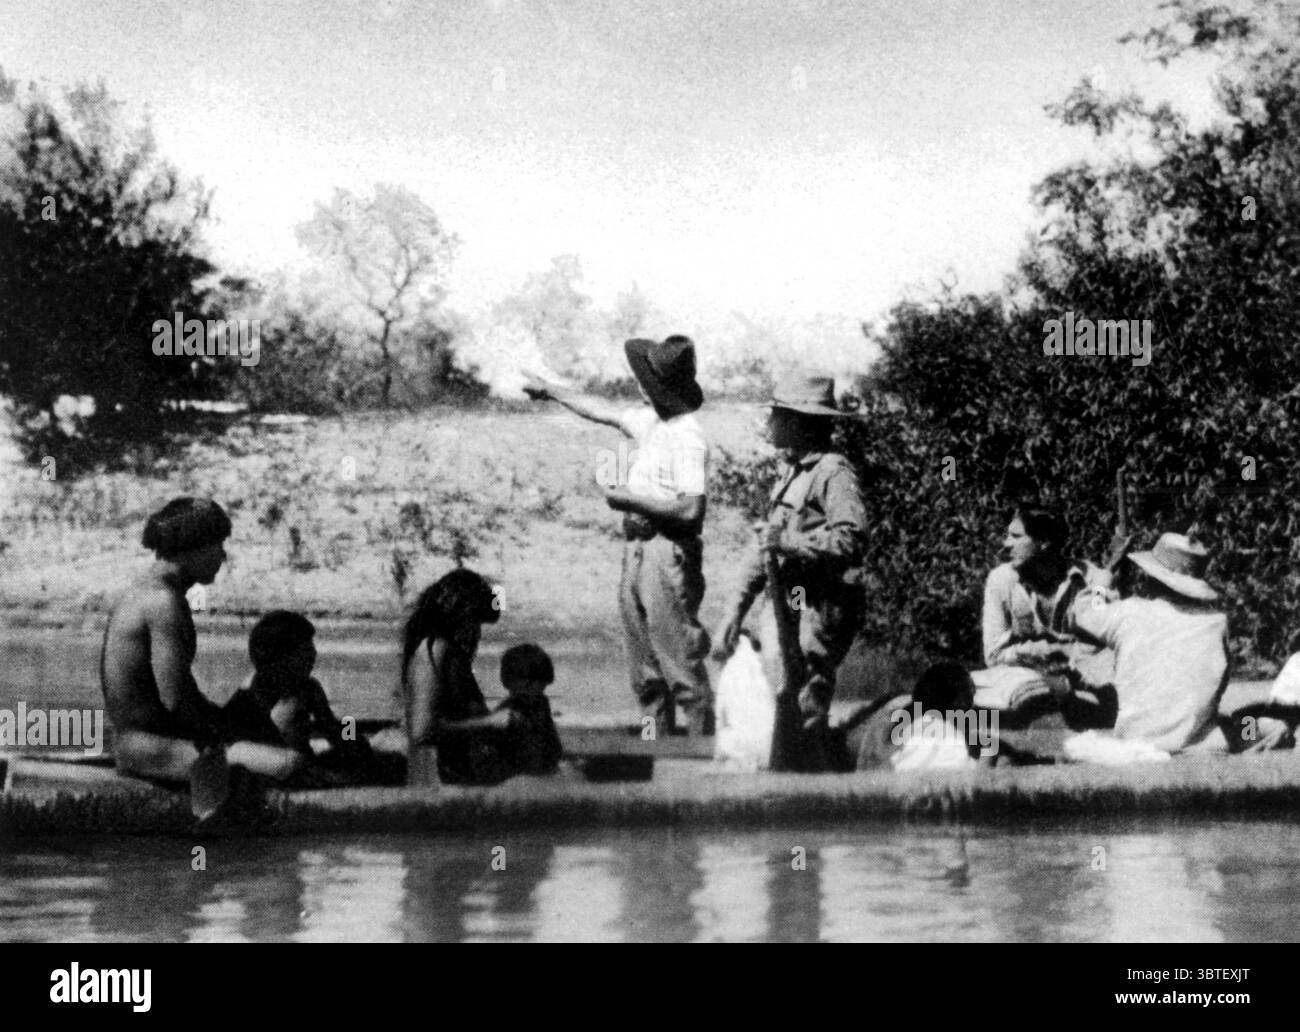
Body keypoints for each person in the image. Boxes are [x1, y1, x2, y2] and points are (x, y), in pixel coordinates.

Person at [523, 336, 712, 736]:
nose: (639, 386)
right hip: (638, 551)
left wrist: (630, 499)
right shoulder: (652, 422)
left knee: (679, 659)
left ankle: (699, 759)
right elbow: (603, 410)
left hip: (666, 551)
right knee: (645, 669)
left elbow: (692, 510)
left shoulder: (687, 435)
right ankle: (654, 747)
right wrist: (551, 390)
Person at [714, 373, 867, 770]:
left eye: (779, 416)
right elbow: (763, 545)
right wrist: (735, 609)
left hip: (819, 602)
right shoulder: (792, 471)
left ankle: (806, 788)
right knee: (781, 693)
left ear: (800, 422)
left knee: (803, 698)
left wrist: (789, 543)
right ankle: (790, 777)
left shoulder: (834, 472)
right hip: (786, 601)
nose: (771, 424)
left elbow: (851, 542)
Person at [100, 498, 305, 787]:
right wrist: (231, 735)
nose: (223, 556)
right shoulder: (162, 603)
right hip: (152, 751)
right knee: (288, 763)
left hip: (149, 742)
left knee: (259, 696)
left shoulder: (156, 592)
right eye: (217, 545)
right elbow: (176, 701)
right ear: (192, 548)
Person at [1064, 532, 1228, 754]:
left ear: (1151, 577)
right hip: (1195, 740)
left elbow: (1087, 612)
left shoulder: (1129, 613)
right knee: (1250, 720)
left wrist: (1106, 575)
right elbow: (1220, 684)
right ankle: (1260, 741)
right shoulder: (1217, 623)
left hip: (1135, 741)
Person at [224, 610, 387, 783]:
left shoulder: (308, 688)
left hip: (301, 764)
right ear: (280, 659)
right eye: (306, 649)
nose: (314, 654)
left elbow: (331, 726)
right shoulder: (250, 694)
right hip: (270, 769)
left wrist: (353, 735)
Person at [401, 568, 511, 785]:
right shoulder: (434, 650)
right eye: (473, 622)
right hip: (439, 779)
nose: (476, 633)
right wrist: (490, 722)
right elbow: (421, 731)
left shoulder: (449, 654)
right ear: (457, 614)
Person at [981, 505, 1085, 670]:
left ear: (1043, 541)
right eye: (1007, 535)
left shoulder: (1087, 580)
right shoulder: (1001, 581)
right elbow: (993, 656)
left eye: (1016, 536)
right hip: (1025, 684)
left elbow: (1103, 650)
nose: (1006, 544)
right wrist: (1045, 650)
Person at [493, 643, 563, 776]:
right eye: (528, 684)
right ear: (509, 682)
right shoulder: (508, 710)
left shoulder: (541, 702)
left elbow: (549, 737)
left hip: (539, 765)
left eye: (540, 684)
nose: (534, 689)